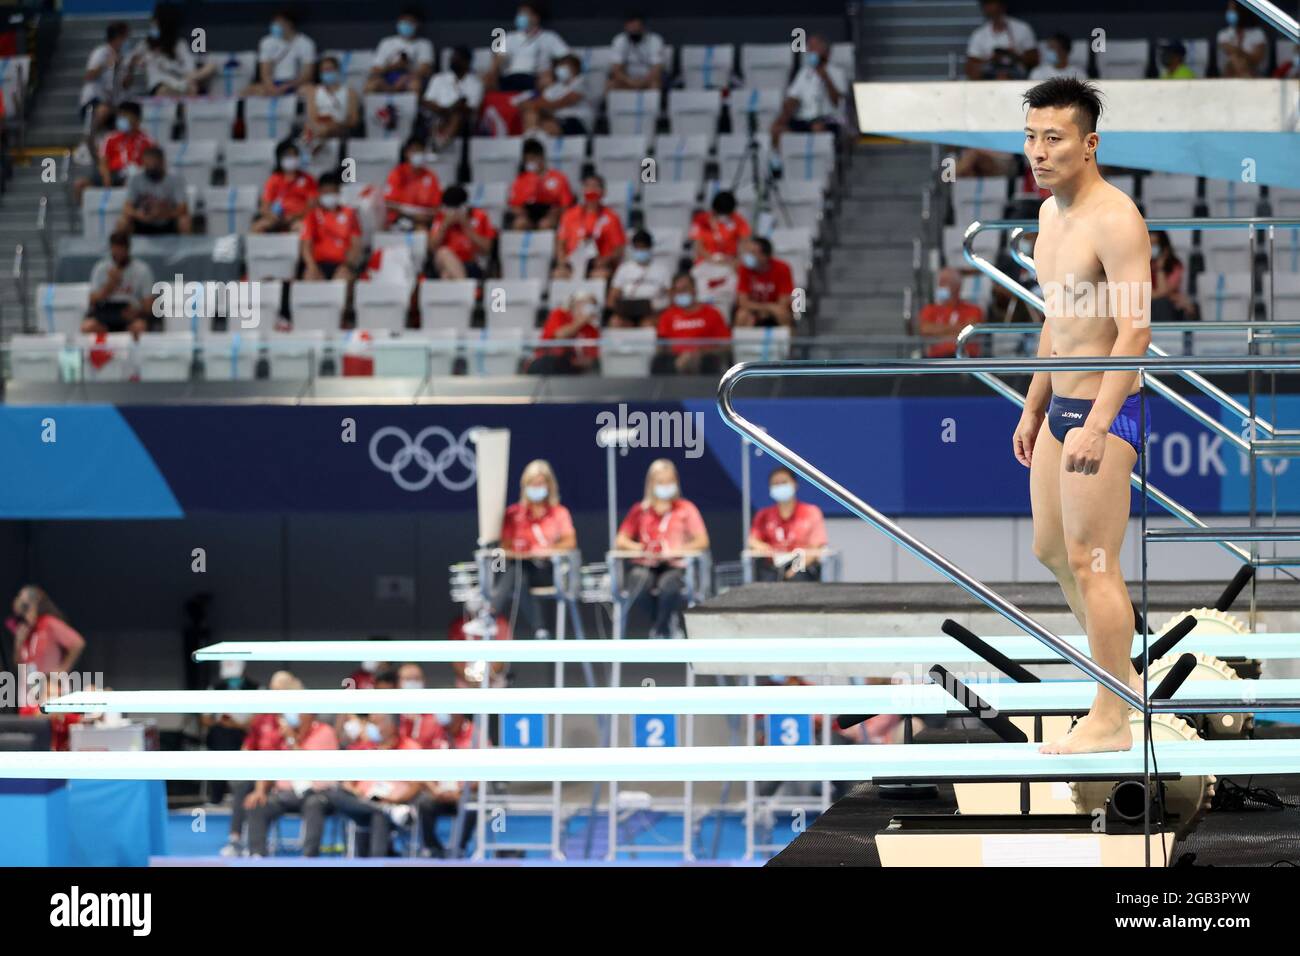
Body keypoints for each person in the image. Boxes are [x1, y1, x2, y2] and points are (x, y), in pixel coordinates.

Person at [1012, 77, 1152, 754]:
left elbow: (1135, 332)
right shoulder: (1048, 217)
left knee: (1093, 559)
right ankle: (1121, 679)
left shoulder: (1117, 219)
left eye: (1054, 138)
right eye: (1031, 137)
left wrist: (1098, 420)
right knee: (1051, 550)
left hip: (1108, 407)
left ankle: (1112, 717)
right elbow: (1057, 320)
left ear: (1089, 143)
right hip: (1061, 406)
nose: (1038, 152)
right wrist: (1033, 402)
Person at [616, 459, 710, 638]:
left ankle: (660, 629)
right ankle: (663, 625)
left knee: (668, 585)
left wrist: (678, 549)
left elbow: (702, 541)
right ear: (652, 484)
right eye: (661, 482)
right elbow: (621, 540)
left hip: (675, 565)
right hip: (646, 564)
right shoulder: (640, 510)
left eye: (670, 481)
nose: (666, 486)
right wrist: (640, 548)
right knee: (638, 582)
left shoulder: (686, 508)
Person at [488, 460, 578, 638]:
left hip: (549, 570)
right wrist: (521, 552)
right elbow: (504, 547)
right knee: (518, 572)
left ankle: (489, 614)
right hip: (521, 569)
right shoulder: (513, 514)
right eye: (533, 484)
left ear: (549, 486)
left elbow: (570, 543)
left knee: (518, 572)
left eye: (540, 484)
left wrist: (547, 550)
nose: (536, 488)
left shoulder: (559, 513)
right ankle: (540, 630)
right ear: (525, 486)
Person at [220, 669, 298, 857]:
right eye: (273, 689)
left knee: (256, 792)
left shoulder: (295, 717)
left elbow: (295, 749)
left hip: (282, 773)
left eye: (280, 690)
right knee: (242, 785)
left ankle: (251, 840)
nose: (275, 694)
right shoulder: (263, 717)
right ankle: (235, 839)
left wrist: (290, 735)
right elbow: (249, 744)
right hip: (259, 770)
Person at [325, 715, 422, 857]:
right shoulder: (365, 747)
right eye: (370, 723)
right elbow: (348, 782)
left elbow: (417, 785)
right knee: (334, 793)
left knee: (378, 817)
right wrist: (354, 790)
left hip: (395, 803)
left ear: (392, 727)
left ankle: (383, 810)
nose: (371, 727)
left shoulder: (410, 748)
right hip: (363, 803)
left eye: (375, 723)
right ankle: (385, 810)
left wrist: (392, 801)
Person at [245, 711, 338, 857]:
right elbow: (269, 764)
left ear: (310, 715)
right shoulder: (283, 734)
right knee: (258, 803)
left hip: (318, 793)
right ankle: (256, 856)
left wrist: (291, 740)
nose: (293, 715)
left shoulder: (324, 732)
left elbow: (307, 765)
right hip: (287, 794)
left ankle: (309, 858)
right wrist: (260, 790)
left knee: (314, 804)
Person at [7, 587, 86, 719]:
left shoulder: (48, 623)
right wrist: (19, 642)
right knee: (31, 730)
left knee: (56, 728)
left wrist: (62, 670)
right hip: (30, 692)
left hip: (51, 689)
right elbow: (19, 662)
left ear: (36, 604)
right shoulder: (24, 630)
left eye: (25, 604)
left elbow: (77, 643)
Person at [769, 34, 846, 154]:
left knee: (817, 127)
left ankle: (822, 167)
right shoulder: (803, 73)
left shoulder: (837, 73)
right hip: (804, 120)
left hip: (828, 120)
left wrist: (825, 77)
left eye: (814, 47)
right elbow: (793, 98)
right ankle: (784, 166)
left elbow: (837, 102)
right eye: (809, 47)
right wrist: (784, 115)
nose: (810, 50)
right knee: (777, 129)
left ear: (825, 50)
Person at [747, 467, 828, 581]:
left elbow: (816, 547)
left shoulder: (811, 512)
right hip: (773, 568)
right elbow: (752, 541)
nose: (780, 486)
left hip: (802, 568)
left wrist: (795, 568)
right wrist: (762, 547)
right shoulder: (763, 515)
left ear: (795, 485)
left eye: (784, 482)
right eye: (775, 483)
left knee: (799, 578)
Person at [413, 714, 477, 857]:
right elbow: (420, 767)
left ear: (459, 715)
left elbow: (482, 775)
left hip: (463, 794)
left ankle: (458, 849)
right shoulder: (435, 731)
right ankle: (433, 849)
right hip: (439, 793)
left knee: (471, 804)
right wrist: (434, 789)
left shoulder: (475, 734)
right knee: (423, 802)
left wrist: (459, 792)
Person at [654, 272, 731, 374]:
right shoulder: (667, 316)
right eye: (678, 291)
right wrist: (682, 356)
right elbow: (661, 346)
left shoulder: (712, 313)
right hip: (675, 360)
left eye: (685, 289)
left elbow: (726, 345)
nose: (681, 293)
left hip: (706, 360)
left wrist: (701, 352)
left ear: (694, 290)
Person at [82, 231, 156, 335]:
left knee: (139, 328)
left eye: (122, 249)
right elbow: (93, 300)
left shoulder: (142, 270)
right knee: (87, 327)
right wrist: (111, 284)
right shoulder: (101, 268)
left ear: (128, 248)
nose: (119, 253)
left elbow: (149, 305)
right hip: (105, 312)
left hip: (130, 312)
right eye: (116, 249)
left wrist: (137, 311)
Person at [554, 174, 626, 278]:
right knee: (559, 275)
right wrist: (563, 262)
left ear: (603, 192)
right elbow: (560, 243)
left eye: (595, 186)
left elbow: (619, 248)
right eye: (587, 186)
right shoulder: (569, 215)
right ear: (582, 190)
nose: (591, 190)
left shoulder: (612, 217)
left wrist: (605, 260)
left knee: (600, 275)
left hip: (598, 265)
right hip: (573, 262)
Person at [488, 3, 569, 92]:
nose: (520, 17)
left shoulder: (550, 37)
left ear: (536, 17)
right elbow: (498, 59)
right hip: (510, 77)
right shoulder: (509, 37)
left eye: (524, 14)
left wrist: (552, 72)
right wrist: (492, 73)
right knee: (487, 79)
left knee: (548, 80)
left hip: (536, 78)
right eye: (519, 14)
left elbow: (566, 58)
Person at [299, 172, 364, 281]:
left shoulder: (350, 214)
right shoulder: (312, 216)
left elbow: (356, 245)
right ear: (319, 193)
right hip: (318, 264)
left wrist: (347, 265)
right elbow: (306, 246)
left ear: (338, 192)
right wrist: (312, 266)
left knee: (344, 277)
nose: (329, 195)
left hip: (342, 264)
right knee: (310, 277)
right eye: (326, 192)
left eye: (332, 192)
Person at [118, 146, 191, 235]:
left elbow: (183, 208)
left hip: (167, 220)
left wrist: (165, 214)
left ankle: (185, 247)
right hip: (143, 220)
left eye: (154, 166)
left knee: (184, 220)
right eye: (147, 166)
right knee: (123, 221)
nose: (151, 170)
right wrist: (138, 214)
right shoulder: (135, 179)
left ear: (162, 163)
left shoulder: (176, 179)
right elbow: (127, 207)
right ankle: (122, 248)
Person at [427, 185, 496, 279]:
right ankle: (465, 287)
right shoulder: (440, 217)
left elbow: (487, 249)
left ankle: (462, 288)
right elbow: (432, 247)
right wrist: (445, 226)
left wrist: (467, 227)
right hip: (441, 261)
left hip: (470, 264)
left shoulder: (480, 216)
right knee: (443, 253)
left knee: (446, 275)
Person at [423, 46, 484, 149]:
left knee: (457, 115)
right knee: (437, 117)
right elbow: (427, 101)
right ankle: (435, 142)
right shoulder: (438, 78)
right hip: (438, 113)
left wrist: (451, 110)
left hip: (462, 122)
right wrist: (446, 110)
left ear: (466, 62)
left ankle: (440, 145)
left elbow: (470, 108)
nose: (453, 61)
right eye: (452, 58)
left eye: (457, 59)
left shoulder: (475, 83)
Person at [141, 13, 216, 96]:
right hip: (160, 85)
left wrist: (189, 78)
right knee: (164, 91)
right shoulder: (145, 45)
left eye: (157, 25)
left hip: (181, 82)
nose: (154, 29)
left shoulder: (180, 44)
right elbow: (137, 62)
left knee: (194, 85)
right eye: (153, 26)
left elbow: (189, 68)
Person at [607, 229, 672, 326]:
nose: (640, 251)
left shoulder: (662, 270)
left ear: (650, 248)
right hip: (627, 312)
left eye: (643, 248)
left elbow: (671, 295)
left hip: (653, 312)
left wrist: (659, 306)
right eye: (637, 248)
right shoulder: (624, 269)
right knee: (615, 322)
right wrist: (619, 309)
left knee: (648, 324)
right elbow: (612, 298)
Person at [507, 138, 574, 230]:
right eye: (527, 160)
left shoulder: (559, 178)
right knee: (520, 224)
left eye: (532, 159)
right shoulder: (521, 180)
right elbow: (514, 205)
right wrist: (523, 213)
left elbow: (566, 205)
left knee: (545, 224)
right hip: (528, 215)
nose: (530, 163)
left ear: (541, 157)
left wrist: (555, 212)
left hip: (551, 215)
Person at [250, 141, 317, 233]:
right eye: (288, 156)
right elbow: (264, 207)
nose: (292, 159)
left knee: (302, 228)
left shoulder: (308, 179)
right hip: (276, 219)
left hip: (298, 219)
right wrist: (273, 217)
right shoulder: (273, 180)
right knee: (257, 228)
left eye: (294, 155)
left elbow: (312, 206)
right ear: (280, 158)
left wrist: (294, 217)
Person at [245, 9, 316, 96]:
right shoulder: (267, 42)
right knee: (247, 91)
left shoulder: (306, 43)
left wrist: (288, 86)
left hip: (296, 84)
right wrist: (271, 87)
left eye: (278, 23)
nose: (274, 26)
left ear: (289, 24)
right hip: (274, 84)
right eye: (274, 23)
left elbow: (307, 74)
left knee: (311, 90)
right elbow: (265, 72)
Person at [529, 289, 601, 375]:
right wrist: (581, 320)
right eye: (583, 304)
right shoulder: (558, 314)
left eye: (590, 305)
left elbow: (591, 359)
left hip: (572, 370)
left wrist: (582, 361)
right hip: (547, 363)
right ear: (574, 304)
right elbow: (559, 335)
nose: (587, 308)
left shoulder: (592, 329)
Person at [917, 266, 984, 357]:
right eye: (939, 282)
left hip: (965, 361)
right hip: (936, 361)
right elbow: (924, 329)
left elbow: (969, 331)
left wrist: (938, 334)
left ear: (957, 286)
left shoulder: (973, 310)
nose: (940, 286)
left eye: (944, 282)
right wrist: (955, 331)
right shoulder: (930, 309)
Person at [366, 8, 434, 94]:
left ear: (417, 24)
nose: (406, 25)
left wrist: (406, 70)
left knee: (415, 84)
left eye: (410, 22)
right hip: (388, 78)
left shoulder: (424, 44)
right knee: (371, 85)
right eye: (403, 22)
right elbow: (375, 69)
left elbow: (425, 70)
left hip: (410, 78)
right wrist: (395, 66)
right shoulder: (386, 42)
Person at [79, 21, 132, 132]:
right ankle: (89, 139)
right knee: (104, 110)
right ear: (117, 38)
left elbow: (126, 85)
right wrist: (105, 64)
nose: (127, 41)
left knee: (128, 117)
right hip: (93, 101)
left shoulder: (124, 58)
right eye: (125, 37)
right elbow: (89, 76)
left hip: (113, 103)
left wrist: (131, 68)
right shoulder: (101, 52)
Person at [522, 53, 592, 136]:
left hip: (577, 121)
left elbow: (565, 101)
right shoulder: (556, 86)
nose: (560, 68)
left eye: (564, 65)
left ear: (575, 68)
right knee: (530, 113)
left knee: (548, 127)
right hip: (557, 119)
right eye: (560, 65)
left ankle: (535, 139)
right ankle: (530, 140)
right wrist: (534, 105)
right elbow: (539, 102)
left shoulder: (581, 81)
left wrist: (544, 105)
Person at [965, 0, 1037, 80]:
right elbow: (970, 67)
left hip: (1015, 73)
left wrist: (1014, 55)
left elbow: (1034, 60)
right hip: (990, 75)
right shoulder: (979, 34)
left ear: (1002, 5)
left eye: (992, 3)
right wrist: (991, 59)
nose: (989, 8)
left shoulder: (1022, 28)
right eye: (986, 4)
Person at [734, 236, 795, 328]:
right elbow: (743, 302)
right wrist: (766, 308)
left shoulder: (782, 268)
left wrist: (770, 309)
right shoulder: (744, 269)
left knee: (782, 313)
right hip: (755, 308)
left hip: (776, 308)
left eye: (753, 253)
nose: (748, 256)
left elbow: (783, 302)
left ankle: (788, 341)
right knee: (741, 315)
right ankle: (743, 342)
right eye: (748, 252)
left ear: (764, 256)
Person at [383, 137, 443, 229]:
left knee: (422, 229)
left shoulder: (431, 176)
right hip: (399, 219)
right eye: (414, 151)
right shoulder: (397, 173)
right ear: (406, 153)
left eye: (421, 151)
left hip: (424, 222)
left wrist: (423, 217)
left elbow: (436, 207)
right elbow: (388, 203)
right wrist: (412, 213)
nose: (418, 154)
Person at [304, 55, 361, 145]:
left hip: (340, 127)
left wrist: (337, 123)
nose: (327, 72)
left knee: (323, 130)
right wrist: (325, 123)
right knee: (312, 128)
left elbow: (354, 120)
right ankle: (314, 145)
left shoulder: (350, 93)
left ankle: (313, 147)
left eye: (329, 69)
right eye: (324, 70)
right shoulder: (314, 92)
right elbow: (312, 117)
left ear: (337, 70)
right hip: (320, 126)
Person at [689, 190, 750, 267]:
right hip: (705, 262)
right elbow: (698, 245)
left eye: (726, 214)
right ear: (714, 209)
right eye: (720, 214)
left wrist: (737, 260)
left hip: (729, 263)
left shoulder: (739, 220)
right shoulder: (700, 219)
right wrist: (712, 260)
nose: (723, 217)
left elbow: (744, 243)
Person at [607, 13, 667, 91]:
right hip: (627, 79)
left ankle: (652, 103)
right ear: (626, 28)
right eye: (631, 28)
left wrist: (643, 82)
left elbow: (657, 67)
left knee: (655, 83)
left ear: (643, 28)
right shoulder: (620, 40)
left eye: (636, 29)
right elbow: (616, 68)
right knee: (610, 84)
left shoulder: (655, 40)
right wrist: (630, 81)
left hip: (648, 78)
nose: (634, 31)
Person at [1149, 231, 1195, 323]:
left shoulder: (1175, 265)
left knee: (1163, 304)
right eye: (1149, 244)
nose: (1151, 248)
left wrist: (1160, 268)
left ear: (1163, 246)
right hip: (1144, 307)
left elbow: (1164, 292)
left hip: (1167, 307)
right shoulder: (1137, 265)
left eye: (1155, 245)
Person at [1217, 1, 1269, 78]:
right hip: (1230, 75)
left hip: (1253, 75)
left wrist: (1238, 52)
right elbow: (1228, 56)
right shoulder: (1223, 34)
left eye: (1233, 10)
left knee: (1238, 60)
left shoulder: (1257, 33)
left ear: (1241, 11)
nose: (1230, 13)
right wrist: (1240, 55)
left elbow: (1257, 59)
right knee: (1235, 59)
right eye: (1229, 10)